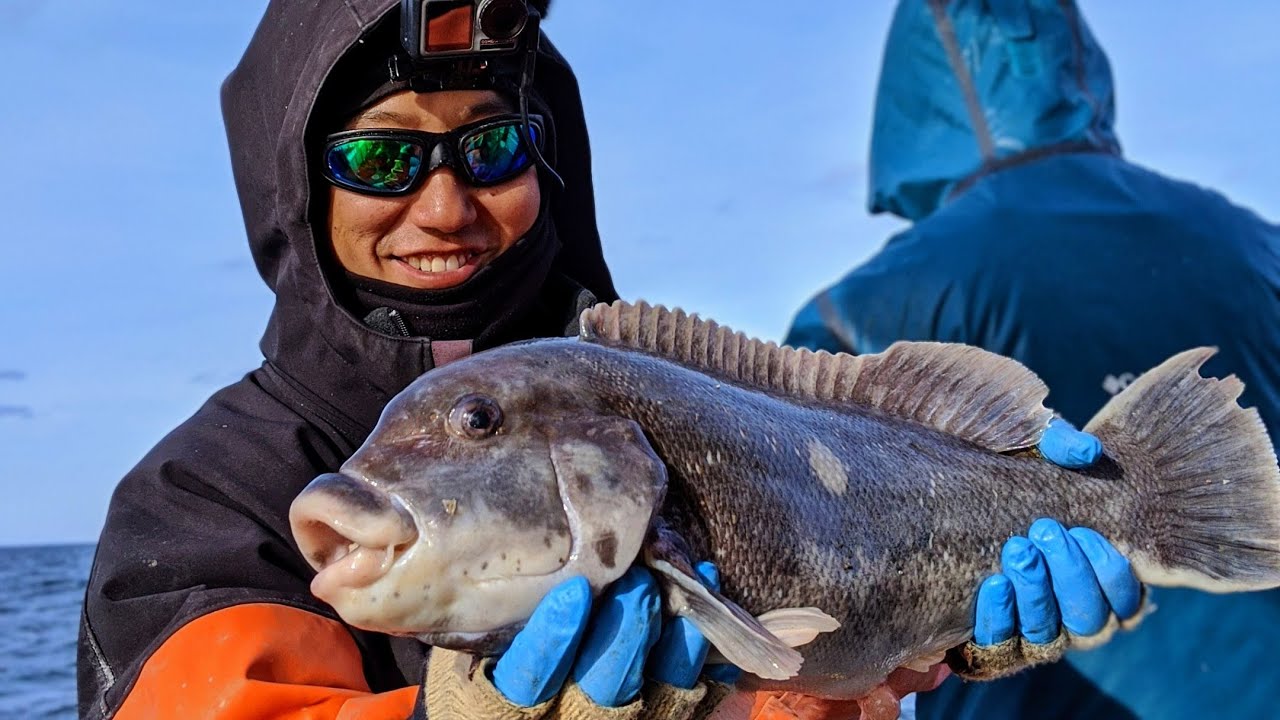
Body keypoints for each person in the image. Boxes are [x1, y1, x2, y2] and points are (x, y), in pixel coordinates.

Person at [76, 1, 1129, 718]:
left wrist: (929, 634)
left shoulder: (676, 400)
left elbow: (799, 673)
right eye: (378, 158)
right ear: (296, 187)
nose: (442, 205)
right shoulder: (196, 506)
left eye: (489, 147)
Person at [785, 1, 1280, 718]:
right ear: (1077, 64)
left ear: (915, 103)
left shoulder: (865, 305)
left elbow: (792, 524)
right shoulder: (1256, 244)